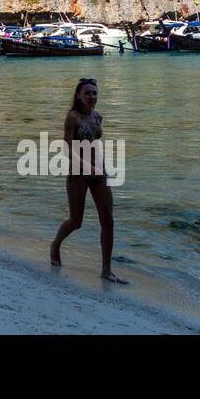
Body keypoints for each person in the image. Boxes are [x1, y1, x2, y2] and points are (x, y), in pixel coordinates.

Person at [50, 78, 127, 283]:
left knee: (108, 221)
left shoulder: (98, 116)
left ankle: (106, 270)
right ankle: (56, 244)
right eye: (87, 93)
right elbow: (67, 149)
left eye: (94, 93)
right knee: (76, 222)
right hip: (78, 173)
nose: (92, 97)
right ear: (78, 95)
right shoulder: (73, 118)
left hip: (99, 172)